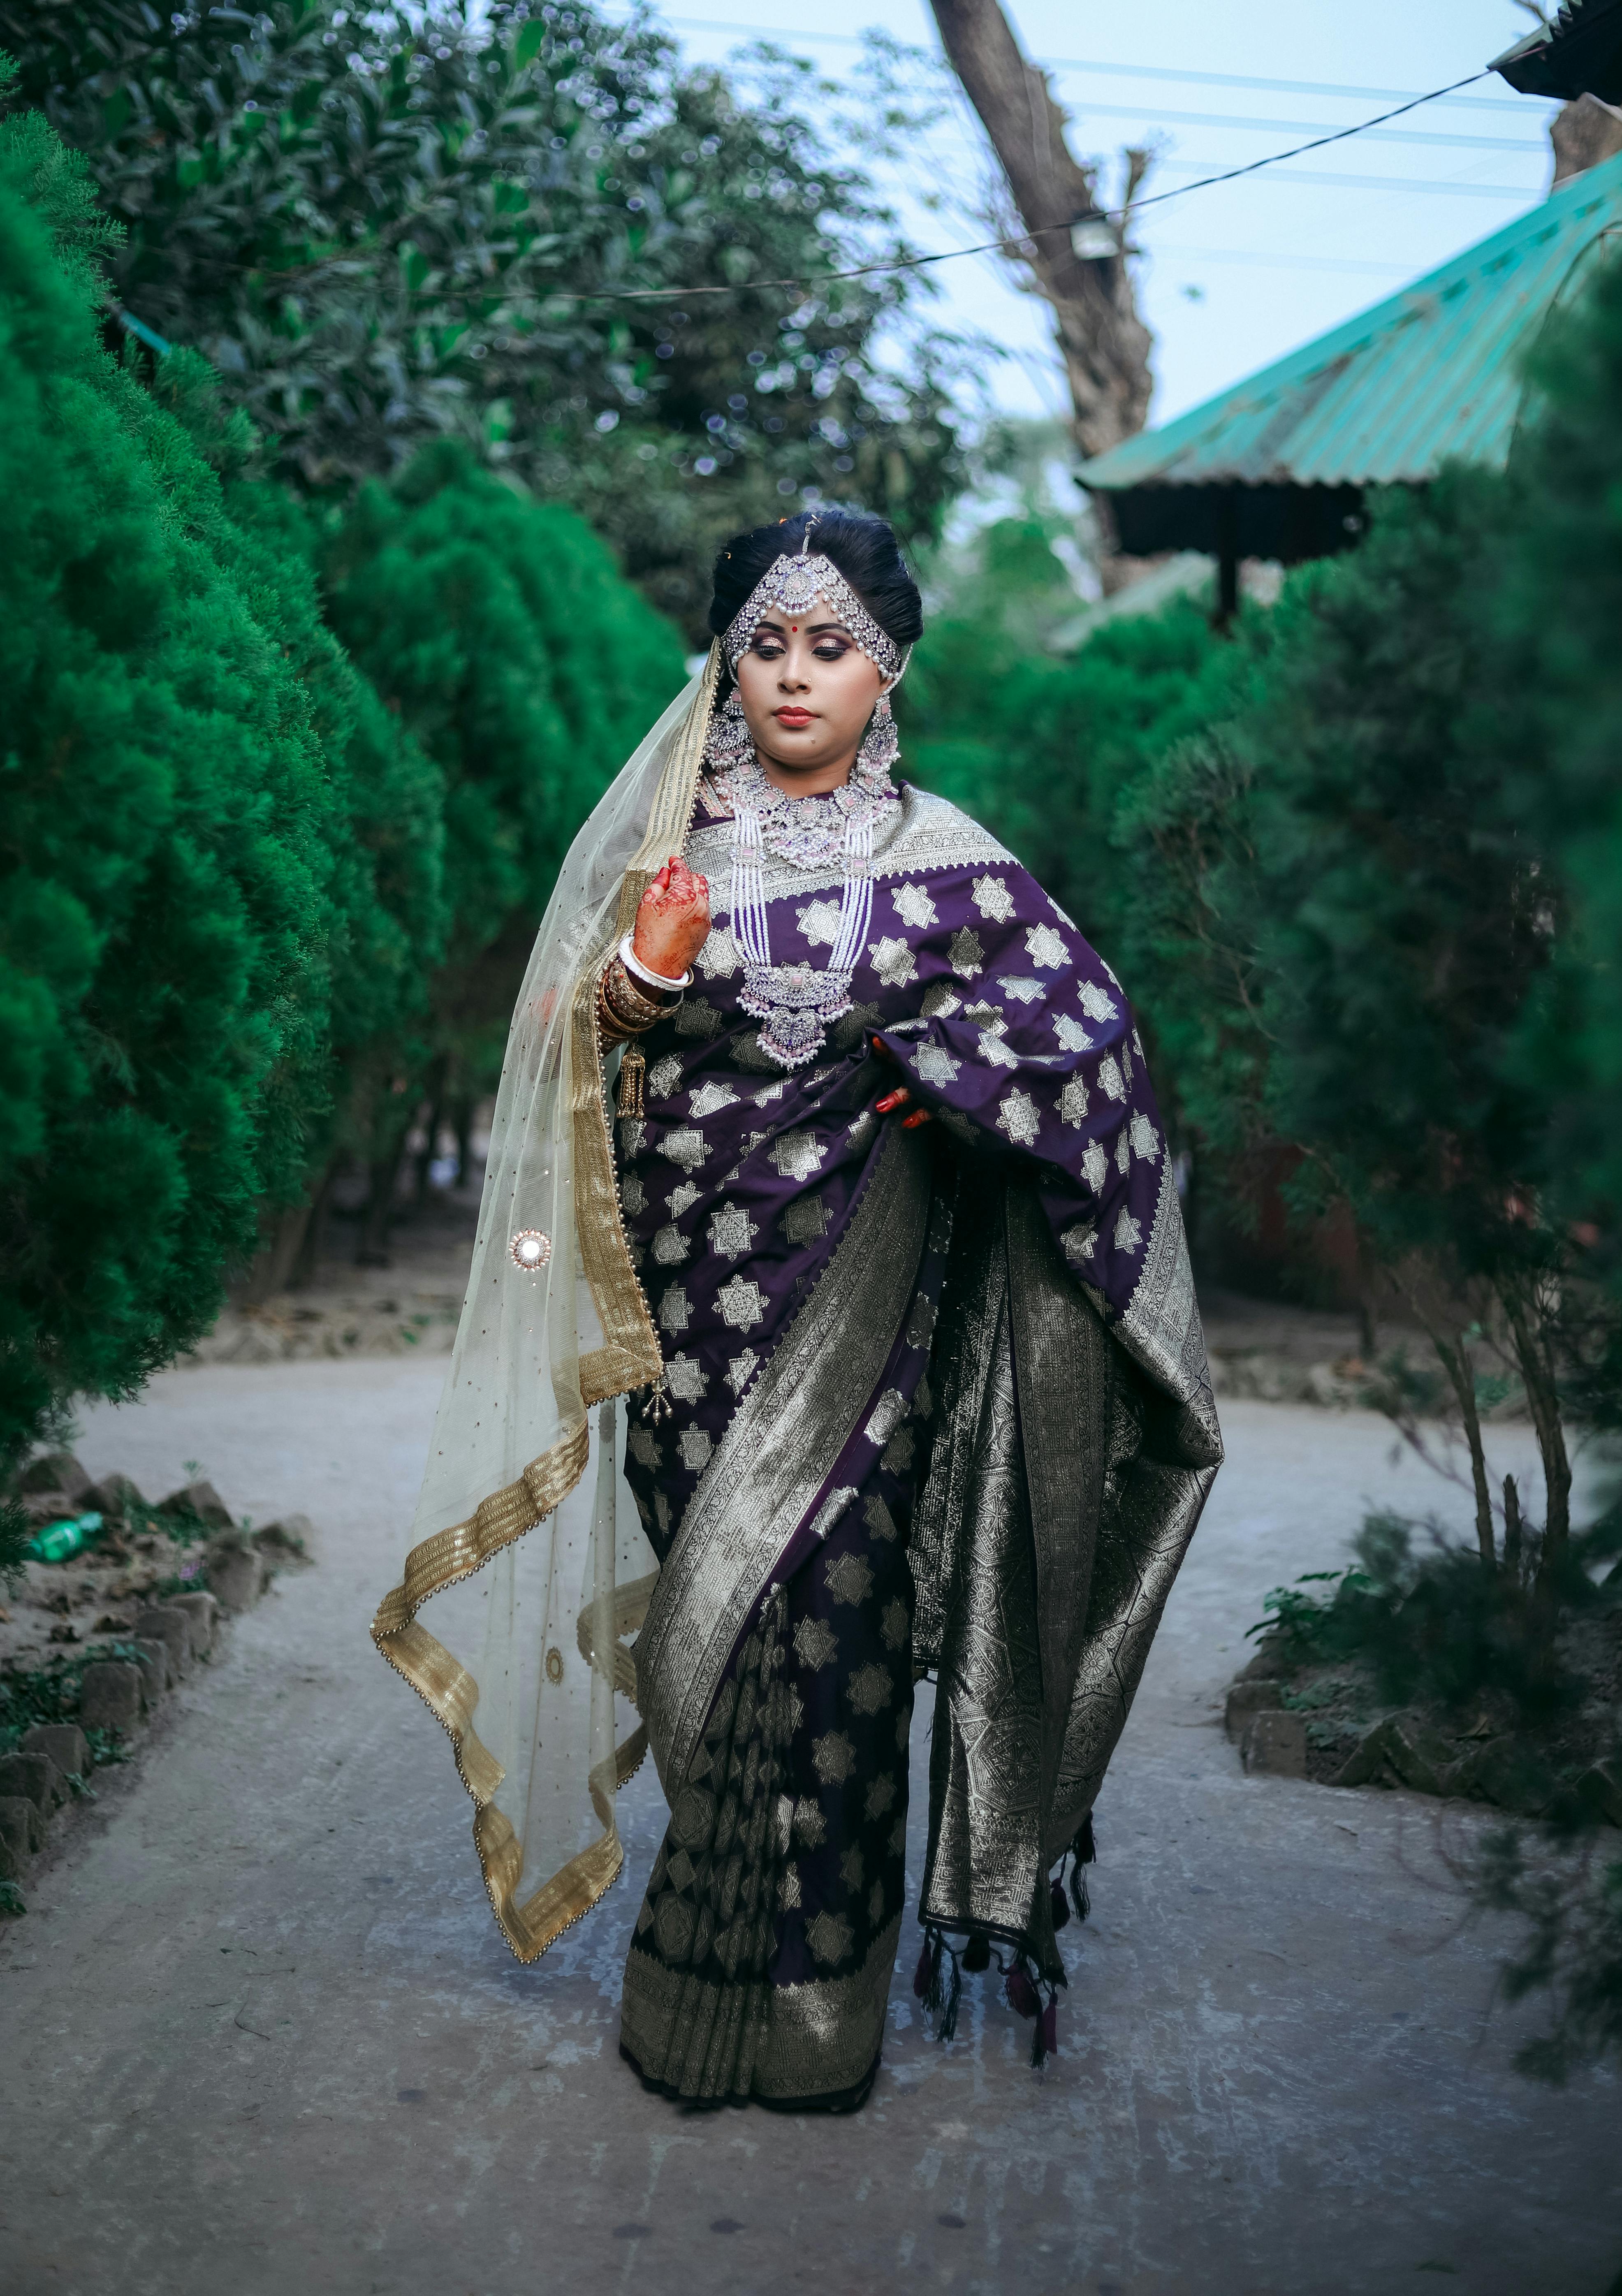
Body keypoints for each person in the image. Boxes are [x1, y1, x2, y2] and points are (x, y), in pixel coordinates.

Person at [374, 507, 1221, 2115]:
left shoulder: (944, 862)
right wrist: (636, 973)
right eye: (762, 644)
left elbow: (1090, 1047)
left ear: (888, 665)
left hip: (864, 1319)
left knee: (831, 1639)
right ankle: (696, 2014)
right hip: (682, 1310)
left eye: (827, 647)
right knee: (706, 1631)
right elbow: (564, 1046)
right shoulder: (663, 840)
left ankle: (819, 2026)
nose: (791, 677)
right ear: (724, 660)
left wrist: (937, 1071)